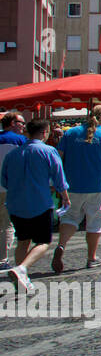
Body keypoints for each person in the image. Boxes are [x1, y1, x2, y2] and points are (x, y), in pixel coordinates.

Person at [1, 120, 69, 295]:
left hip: (16, 204)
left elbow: (4, 181)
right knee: (44, 242)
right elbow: (59, 179)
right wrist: (65, 198)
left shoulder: (13, 154)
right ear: (45, 132)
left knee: (23, 241)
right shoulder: (48, 151)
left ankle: (22, 281)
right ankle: (22, 268)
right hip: (40, 203)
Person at [55, 105, 101, 270]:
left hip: (71, 185)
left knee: (70, 218)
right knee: (95, 221)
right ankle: (91, 258)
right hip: (96, 186)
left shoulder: (70, 133)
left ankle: (61, 246)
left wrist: (57, 181)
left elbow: (58, 158)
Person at [0, 110, 28, 266]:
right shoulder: (21, 141)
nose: (23, 126)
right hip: (10, 188)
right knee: (7, 225)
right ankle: (2, 260)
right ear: (12, 123)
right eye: (21, 123)